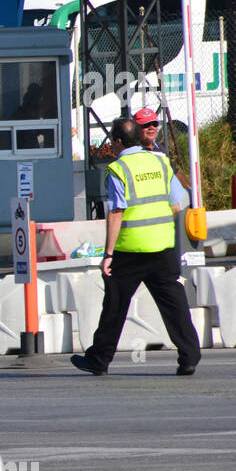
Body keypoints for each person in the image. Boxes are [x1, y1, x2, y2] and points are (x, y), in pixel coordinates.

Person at [71, 117, 201, 377]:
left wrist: (108, 254)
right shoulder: (161, 161)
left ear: (118, 142)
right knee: (174, 303)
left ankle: (99, 359)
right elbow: (179, 200)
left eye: (112, 142)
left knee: (115, 305)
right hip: (162, 246)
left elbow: (116, 212)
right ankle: (190, 355)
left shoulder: (118, 169)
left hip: (130, 250)